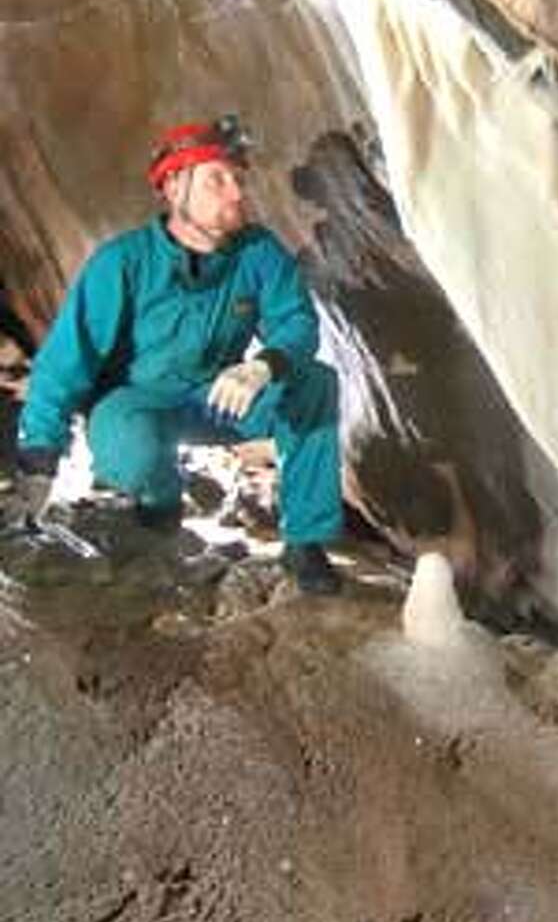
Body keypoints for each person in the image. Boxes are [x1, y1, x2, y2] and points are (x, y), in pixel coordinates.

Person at [14, 117, 343, 594]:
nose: (236, 194)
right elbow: (67, 359)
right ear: (173, 187)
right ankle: (161, 497)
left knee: (314, 382)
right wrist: (39, 457)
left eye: (238, 180)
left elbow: (297, 321)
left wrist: (262, 364)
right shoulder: (122, 262)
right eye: (218, 180)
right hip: (138, 402)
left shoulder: (257, 252)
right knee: (127, 442)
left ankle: (305, 542)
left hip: (217, 395)